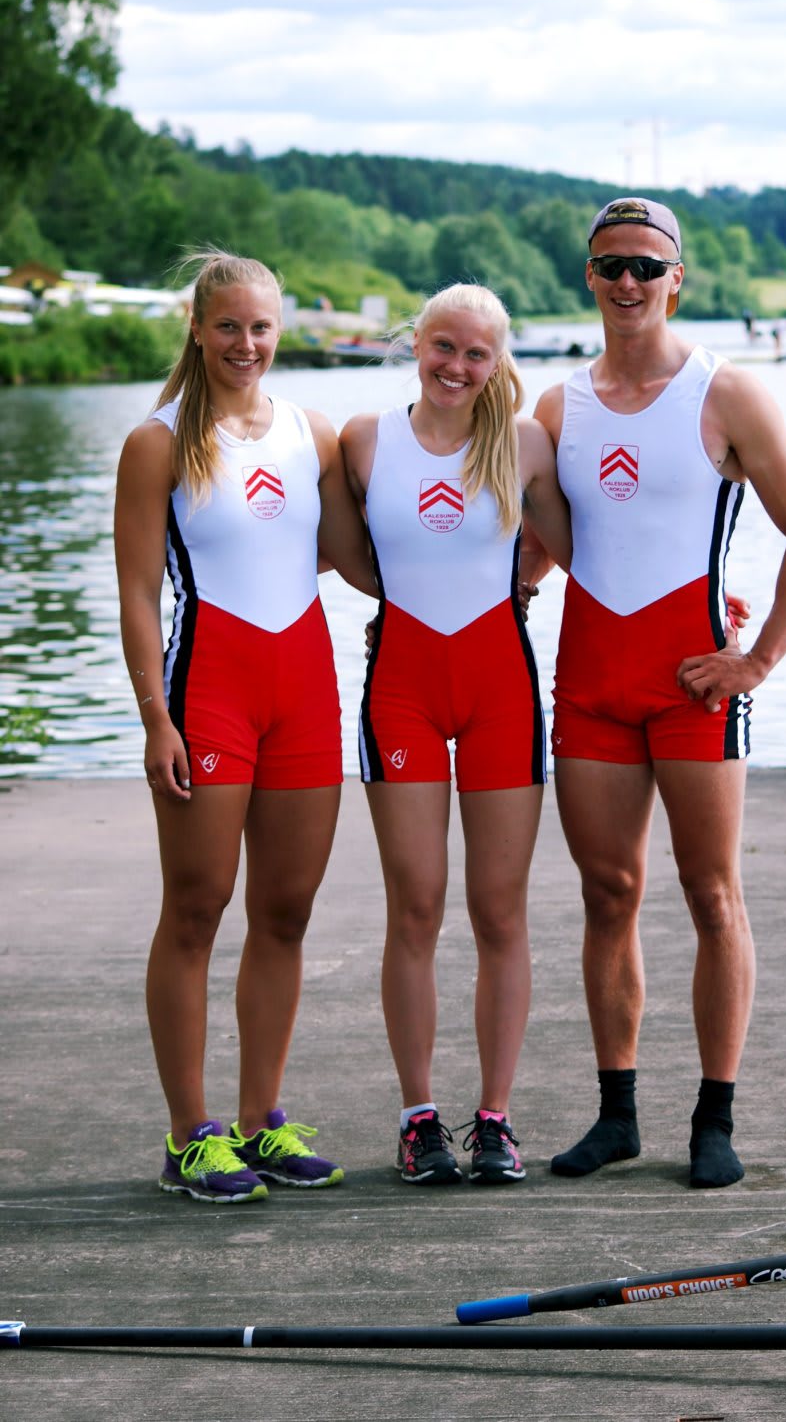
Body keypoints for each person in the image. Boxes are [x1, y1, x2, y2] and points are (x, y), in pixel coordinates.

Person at [527, 198, 786, 1188]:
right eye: (610, 265)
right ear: (588, 276)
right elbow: (536, 544)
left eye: (645, 267)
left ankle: (713, 1115)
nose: (627, 283)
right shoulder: (552, 406)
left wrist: (755, 661)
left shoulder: (725, 395)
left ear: (677, 280)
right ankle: (615, 1113)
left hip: (691, 689)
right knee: (606, 890)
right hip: (587, 685)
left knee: (710, 893)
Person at [114, 251, 377, 1203]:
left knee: (288, 911)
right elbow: (138, 596)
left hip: (305, 686)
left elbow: (362, 563)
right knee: (196, 909)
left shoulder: (313, 433)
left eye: (262, 327)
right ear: (197, 327)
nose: (247, 344)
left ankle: (262, 1122)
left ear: (281, 330)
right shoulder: (157, 442)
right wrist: (156, 719)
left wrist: (521, 562)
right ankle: (192, 1134)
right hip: (208, 690)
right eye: (228, 326)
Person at [340, 283, 570, 1187]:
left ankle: (496, 1118)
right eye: (443, 346)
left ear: (498, 361)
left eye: (478, 353)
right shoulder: (365, 439)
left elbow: (570, 541)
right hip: (400, 687)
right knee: (417, 904)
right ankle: (418, 1117)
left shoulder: (522, 444)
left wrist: (523, 584)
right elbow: (338, 547)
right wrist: (397, 599)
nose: (457, 366)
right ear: (417, 343)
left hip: (499, 689)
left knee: (499, 909)